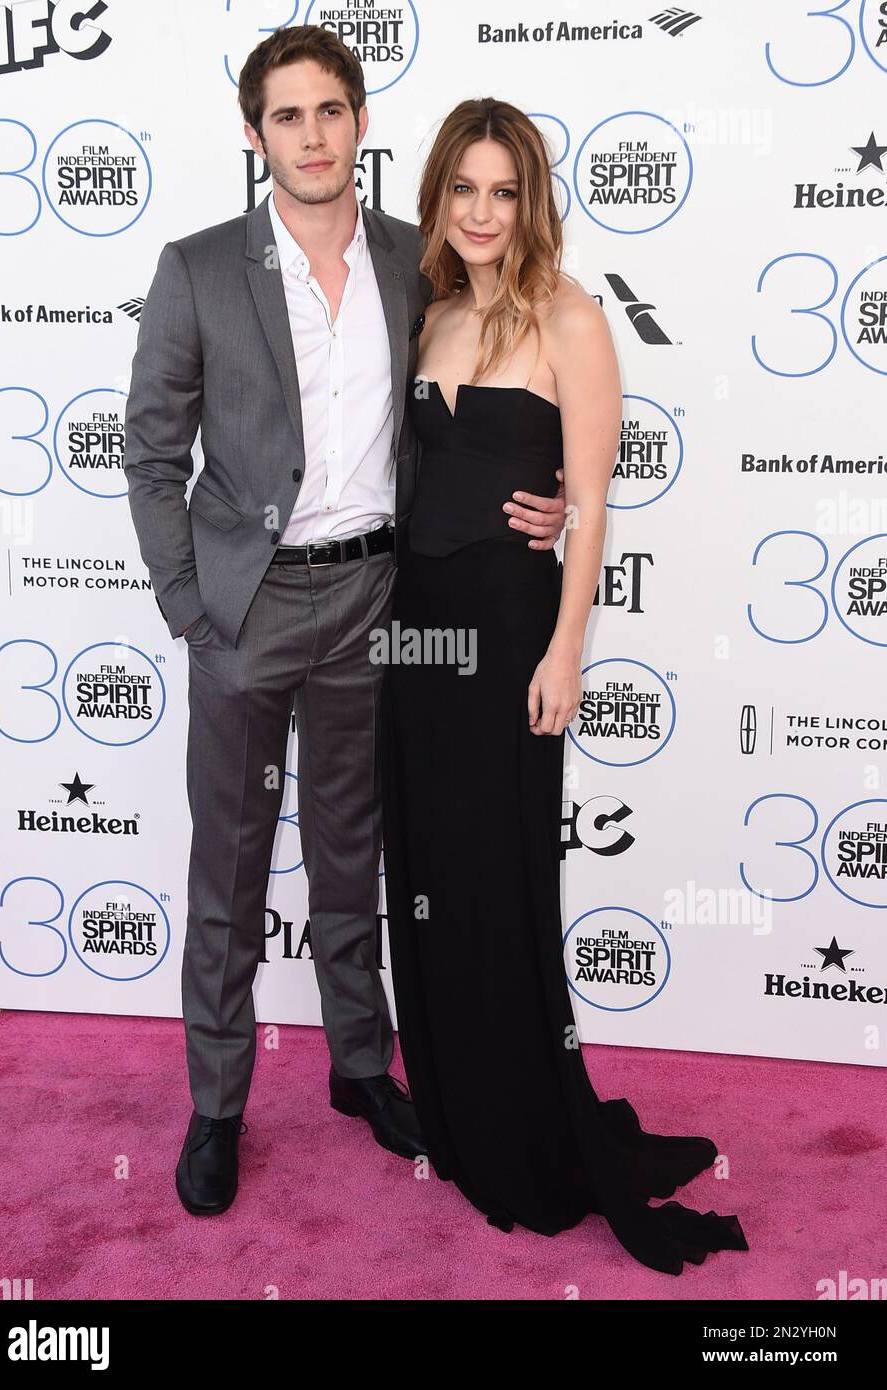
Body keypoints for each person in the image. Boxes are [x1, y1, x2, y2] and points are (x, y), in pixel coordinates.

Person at [122, 27, 566, 1217]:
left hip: (379, 598)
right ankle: (217, 1102)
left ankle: (359, 1066)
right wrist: (190, 608)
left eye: (330, 111)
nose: (311, 136)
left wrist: (551, 481)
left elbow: (490, 389)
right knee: (225, 866)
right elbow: (151, 456)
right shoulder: (199, 268)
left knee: (351, 853)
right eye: (286, 116)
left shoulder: (415, 261)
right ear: (253, 132)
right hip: (246, 610)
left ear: (361, 121)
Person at [379, 98, 750, 1276]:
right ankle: (457, 1109)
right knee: (427, 869)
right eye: (462, 190)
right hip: (413, 632)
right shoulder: (427, 315)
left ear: (528, 202)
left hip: (506, 629)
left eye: (503, 191)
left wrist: (563, 651)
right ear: (437, 196)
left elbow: (585, 506)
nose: (482, 212)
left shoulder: (568, 317)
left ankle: (527, 1127)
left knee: (495, 881)